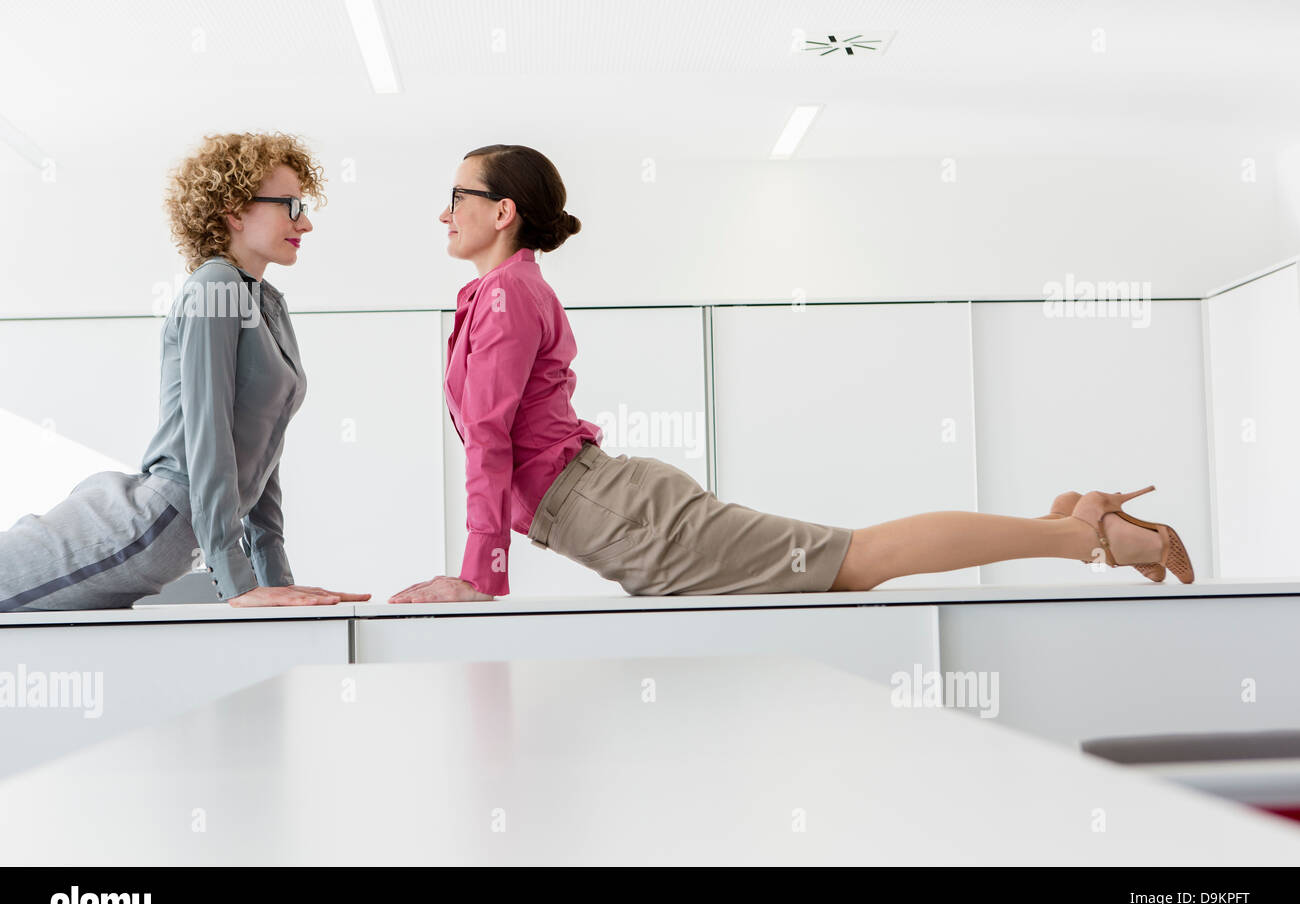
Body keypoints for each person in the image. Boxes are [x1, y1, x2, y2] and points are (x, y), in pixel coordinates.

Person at [388, 144, 1193, 604]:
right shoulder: (497, 295)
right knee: (847, 565)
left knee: (856, 562)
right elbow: (493, 440)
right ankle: (1073, 530)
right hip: (608, 509)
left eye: (455, 194)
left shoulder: (505, 297)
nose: (442, 210)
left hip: (616, 515)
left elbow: (491, 444)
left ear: (503, 211)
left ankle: (1078, 535)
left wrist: (479, 582)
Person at [0, 132, 370, 612]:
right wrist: (238, 581)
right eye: (291, 204)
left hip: (175, 531)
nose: (307, 222)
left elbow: (262, 455)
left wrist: (274, 577)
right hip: (149, 521)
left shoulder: (265, 303)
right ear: (236, 211)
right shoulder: (215, 285)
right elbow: (208, 432)